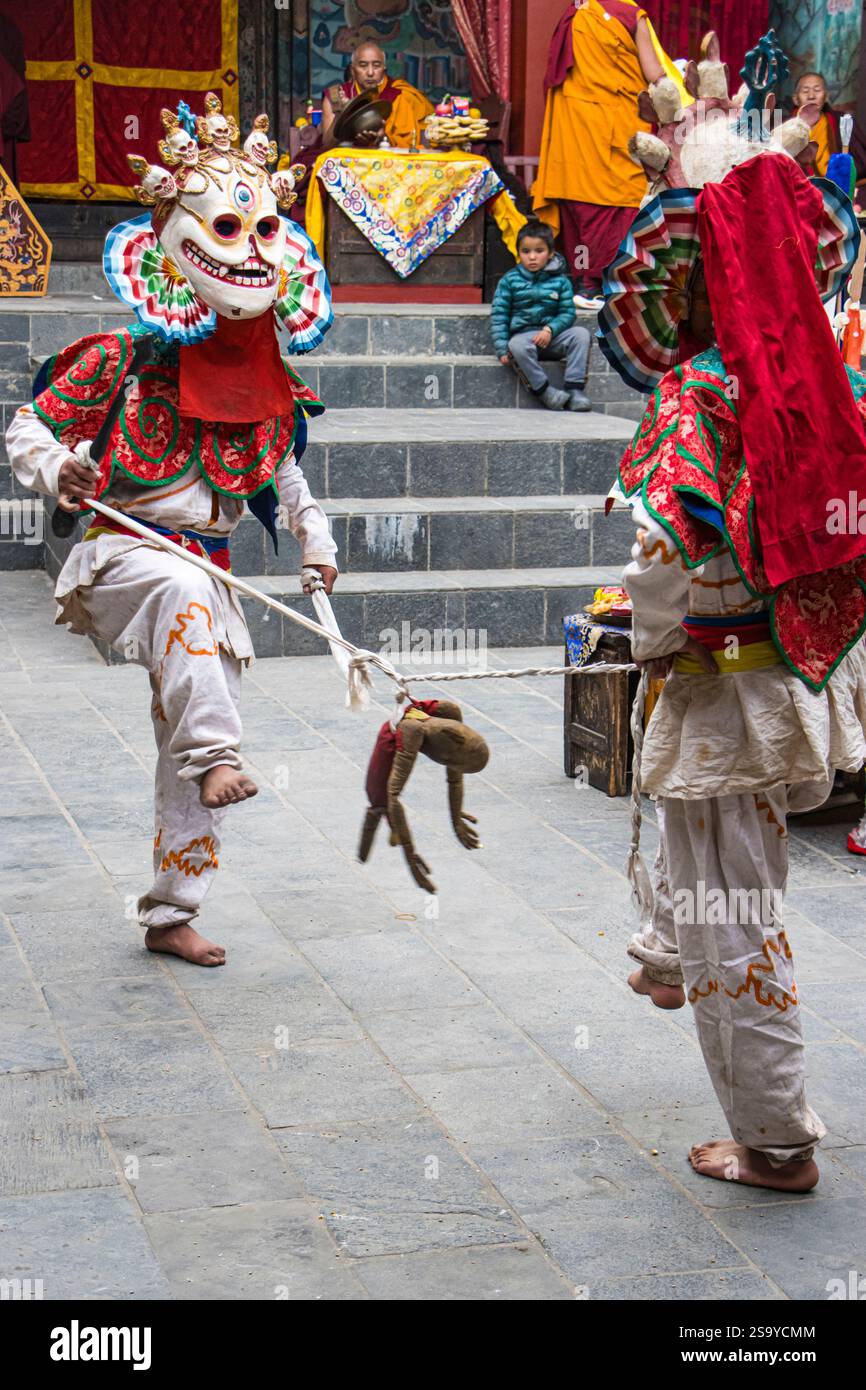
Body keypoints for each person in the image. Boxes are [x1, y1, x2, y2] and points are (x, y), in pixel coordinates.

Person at [600, 36, 866, 1192]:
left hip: (720, 691)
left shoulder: (699, 393)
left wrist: (636, 625)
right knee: (711, 868)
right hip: (785, 677)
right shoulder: (822, 380)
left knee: (734, 921)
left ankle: (771, 1141)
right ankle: (661, 955)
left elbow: (660, 567)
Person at [5, 102, 337, 969]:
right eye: (228, 227)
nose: (250, 247)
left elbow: (282, 465)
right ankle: (220, 755)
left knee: (185, 737)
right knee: (196, 656)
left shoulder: (265, 377)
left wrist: (314, 536)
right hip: (125, 553)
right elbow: (26, 429)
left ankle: (170, 910)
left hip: (208, 574)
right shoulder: (119, 357)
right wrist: (58, 471)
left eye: (262, 226)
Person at [533, 0, 687, 309]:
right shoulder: (630, 15)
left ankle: (585, 282)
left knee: (581, 201)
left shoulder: (577, 13)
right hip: (617, 124)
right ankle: (606, 283)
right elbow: (654, 72)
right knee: (625, 200)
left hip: (575, 125)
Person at [491, 220, 591, 412]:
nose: (532, 257)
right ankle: (546, 392)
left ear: (551, 253)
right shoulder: (510, 280)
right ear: (519, 253)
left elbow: (567, 312)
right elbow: (499, 315)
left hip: (552, 337)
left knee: (581, 334)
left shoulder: (560, 281)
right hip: (525, 338)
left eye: (539, 250)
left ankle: (575, 390)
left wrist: (550, 329)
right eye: (526, 251)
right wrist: (502, 349)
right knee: (516, 345)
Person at [322, 41, 433, 151]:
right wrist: (342, 112)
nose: (370, 73)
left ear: (384, 69)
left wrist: (382, 138)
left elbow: (407, 144)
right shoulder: (336, 95)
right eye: (363, 65)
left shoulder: (397, 96)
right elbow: (327, 144)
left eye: (376, 66)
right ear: (352, 70)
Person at [789, 71, 866, 185]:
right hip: (796, 189)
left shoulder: (842, 122)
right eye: (805, 91)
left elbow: (861, 162)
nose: (811, 96)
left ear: (826, 97)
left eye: (817, 90)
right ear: (795, 99)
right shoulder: (782, 127)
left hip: (835, 191)